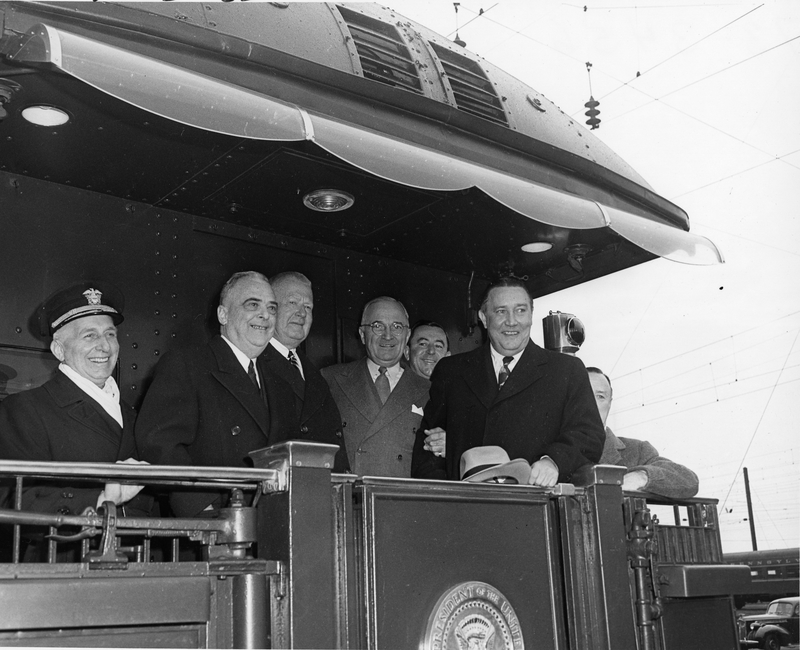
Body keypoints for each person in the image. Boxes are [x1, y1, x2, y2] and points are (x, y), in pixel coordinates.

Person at [411, 277, 605, 486]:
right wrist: (443, 497)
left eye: (520, 310)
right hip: (465, 508)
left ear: (531, 315)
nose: (511, 321)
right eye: (501, 311)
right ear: (484, 318)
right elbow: (427, 450)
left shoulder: (566, 370)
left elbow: (588, 435)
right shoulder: (451, 371)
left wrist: (554, 461)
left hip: (535, 508)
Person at [136, 271, 277, 516]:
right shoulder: (188, 365)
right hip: (216, 528)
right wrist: (203, 509)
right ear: (223, 314)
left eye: (272, 308)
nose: (265, 315)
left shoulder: (278, 380)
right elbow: (159, 444)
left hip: (273, 522)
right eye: (252, 304)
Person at [0, 281, 146, 516]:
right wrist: (100, 500)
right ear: (59, 350)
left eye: (110, 334)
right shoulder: (24, 410)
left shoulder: (133, 415)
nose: (105, 346)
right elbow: (13, 500)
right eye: (89, 336)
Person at [321, 297, 430, 477]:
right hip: (350, 497)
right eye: (377, 326)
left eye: (397, 327)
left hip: (403, 499)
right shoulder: (330, 379)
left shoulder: (429, 391)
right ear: (363, 335)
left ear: (408, 335)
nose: (388, 335)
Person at [259, 272, 349, 472]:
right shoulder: (255, 363)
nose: (302, 313)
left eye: (308, 307)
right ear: (271, 308)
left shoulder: (313, 371)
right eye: (292, 302)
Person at [587, 367, 699, 498]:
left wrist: (640, 477)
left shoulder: (636, 450)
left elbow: (688, 480)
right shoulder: (557, 450)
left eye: (600, 397)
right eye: (584, 396)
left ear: (609, 403)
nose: (592, 404)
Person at [404, 320, 450, 458]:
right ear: (407, 352)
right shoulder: (393, 391)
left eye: (438, 346)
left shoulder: (458, 397)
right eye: (423, 344)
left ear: (448, 357)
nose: (431, 351)